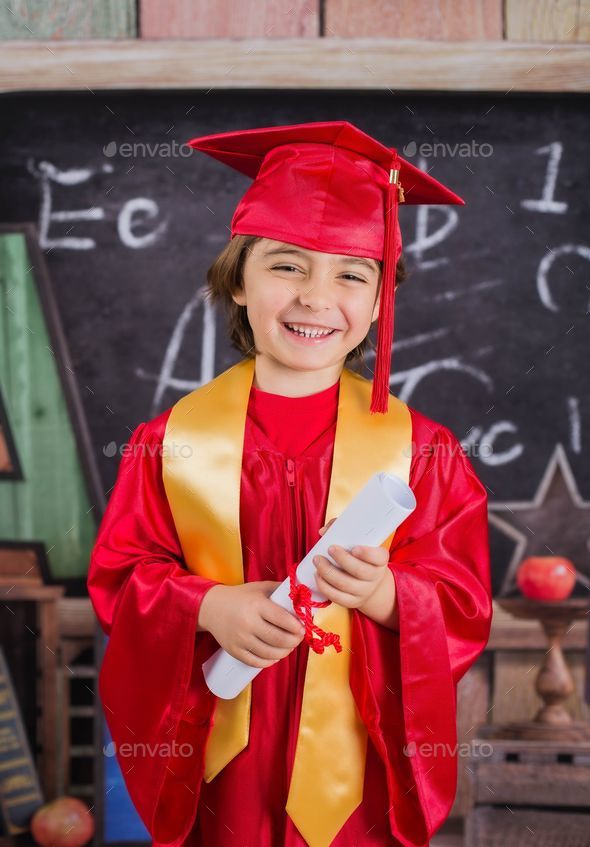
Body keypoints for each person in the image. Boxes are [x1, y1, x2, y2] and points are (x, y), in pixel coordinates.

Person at [87, 121, 493, 847]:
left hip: (354, 768)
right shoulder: (168, 445)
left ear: (378, 302)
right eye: (286, 265)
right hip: (224, 761)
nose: (316, 296)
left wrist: (382, 593)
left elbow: (462, 601)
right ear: (239, 279)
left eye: (350, 274)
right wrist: (208, 604)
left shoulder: (424, 452)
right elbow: (123, 577)